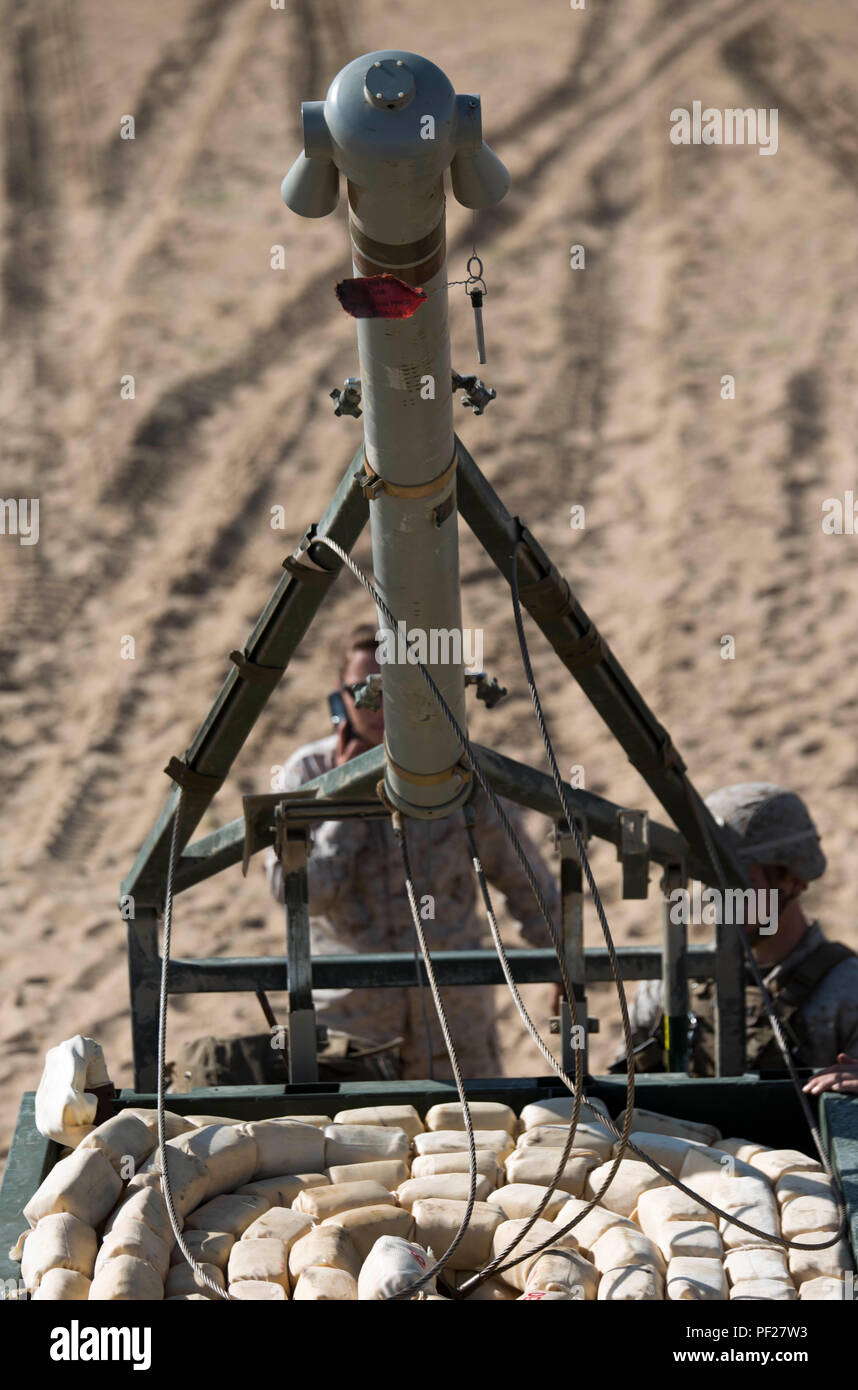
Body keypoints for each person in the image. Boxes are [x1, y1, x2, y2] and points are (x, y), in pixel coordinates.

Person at [265, 623, 562, 1079]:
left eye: (393, 688)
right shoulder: (309, 772)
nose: (379, 705)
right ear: (339, 693)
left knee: (472, 1143)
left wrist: (559, 960)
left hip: (452, 1020)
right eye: (365, 689)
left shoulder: (460, 769)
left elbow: (522, 877)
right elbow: (302, 893)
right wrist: (347, 801)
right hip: (350, 1026)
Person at [617, 783, 858, 1086]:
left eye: (739, 881)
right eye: (708, 878)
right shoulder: (667, 984)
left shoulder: (847, 993)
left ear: (793, 880)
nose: (718, 897)